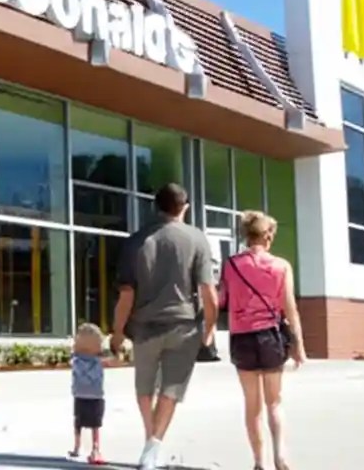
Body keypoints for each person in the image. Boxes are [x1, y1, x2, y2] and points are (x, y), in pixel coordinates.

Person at [111, 183, 218, 470]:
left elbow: (127, 295)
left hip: (144, 327)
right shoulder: (197, 239)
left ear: (155, 206)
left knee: (144, 388)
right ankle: (153, 444)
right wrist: (209, 329)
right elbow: (208, 290)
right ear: (185, 207)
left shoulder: (135, 242)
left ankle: (150, 444)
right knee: (171, 388)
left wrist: (118, 332)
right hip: (184, 328)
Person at [222, 211, 306, 470]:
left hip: (242, 338)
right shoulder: (281, 266)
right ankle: (280, 457)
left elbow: (221, 299)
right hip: (270, 336)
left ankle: (259, 462)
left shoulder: (231, 265)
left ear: (246, 235)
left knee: (252, 405)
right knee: (275, 401)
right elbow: (290, 309)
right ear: (268, 235)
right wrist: (299, 346)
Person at [68, 323, 108, 465]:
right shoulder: (99, 360)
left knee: (78, 422)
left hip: (80, 394)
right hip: (96, 395)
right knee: (95, 425)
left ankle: (77, 446)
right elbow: (114, 359)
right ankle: (95, 448)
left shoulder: (76, 359)